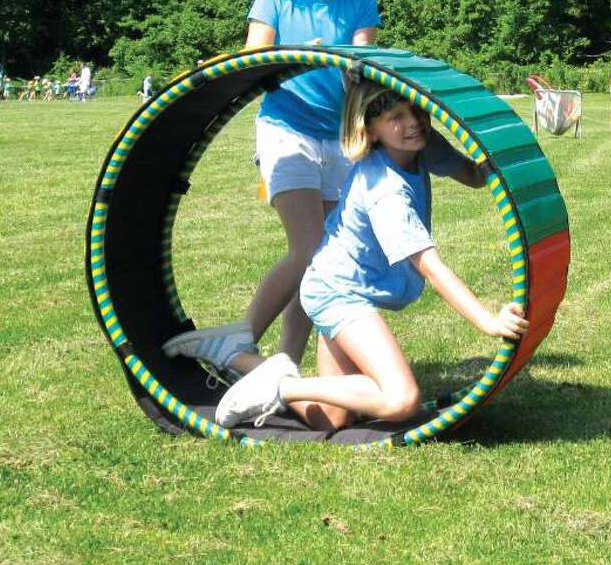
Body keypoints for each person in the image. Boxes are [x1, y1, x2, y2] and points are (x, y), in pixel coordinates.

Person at [213, 80, 528, 430]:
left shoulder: (422, 144)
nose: (413, 122)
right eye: (396, 117)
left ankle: (251, 365)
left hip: (346, 285)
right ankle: (282, 385)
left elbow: (472, 175)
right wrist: (488, 322)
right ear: (371, 130)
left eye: (416, 111)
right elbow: (431, 267)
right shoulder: (386, 191)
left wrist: (505, 158)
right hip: (335, 291)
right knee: (399, 399)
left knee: (331, 419)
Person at [163, 0, 380, 379]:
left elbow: (364, 61)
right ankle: (240, 338)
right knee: (309, 249)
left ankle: (284, 362)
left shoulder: (359, 1)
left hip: (339, 139)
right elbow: (250, 64)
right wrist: (297, 54)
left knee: (323, 259)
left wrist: (358, 73)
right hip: (287, 129)